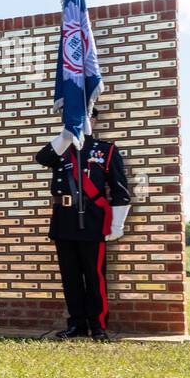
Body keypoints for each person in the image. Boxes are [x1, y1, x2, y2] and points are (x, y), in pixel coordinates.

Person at [35, 120, 130, 341]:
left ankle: (98, 325)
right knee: (71, 278)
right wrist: (65, 136)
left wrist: (117, 224)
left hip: (92, 221)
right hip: (63, 220)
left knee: (95, 276)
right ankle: (76, 324)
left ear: (92, 120)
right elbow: (42, 159)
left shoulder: (105, 150)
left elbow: (120, 189)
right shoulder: (61, 147)